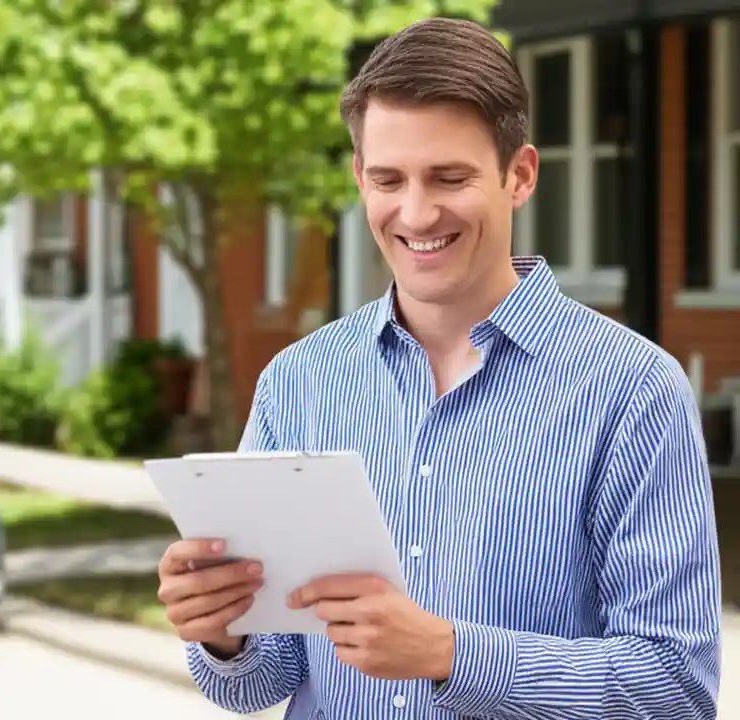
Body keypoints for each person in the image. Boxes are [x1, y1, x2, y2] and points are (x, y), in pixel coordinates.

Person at [155, 17, 723, 720]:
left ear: (520, 176)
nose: (416, 214)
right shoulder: (298, 382)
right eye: (388, 180)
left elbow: (675, 687)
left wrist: (451, 654)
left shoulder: (634, 391)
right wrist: (222, 633)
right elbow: (257, 682)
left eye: (448, 178)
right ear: (360, 178)